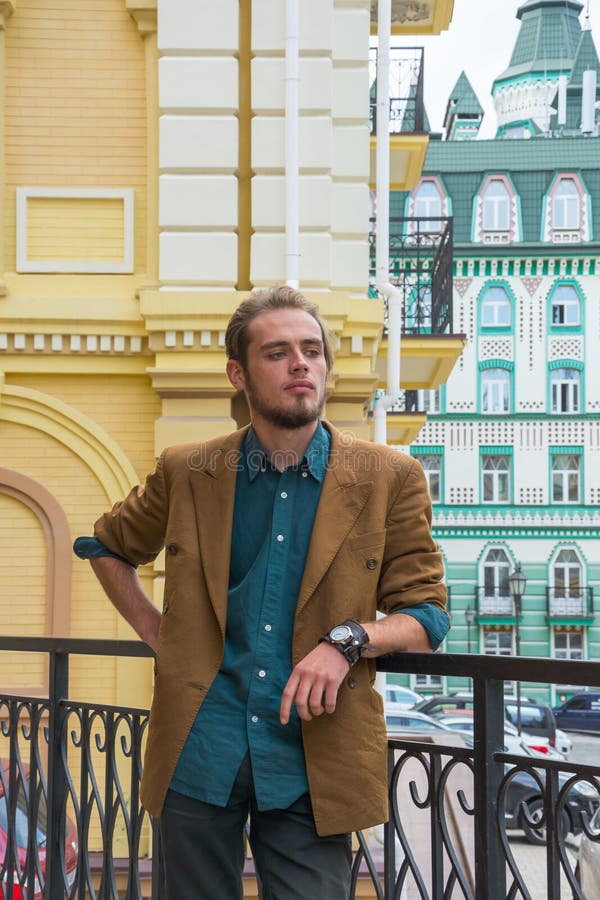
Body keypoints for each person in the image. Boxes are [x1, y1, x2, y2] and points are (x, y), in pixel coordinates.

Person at [74, 285, 449, 900]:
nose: (301, 363)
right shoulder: (188, 471)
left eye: (312, 350)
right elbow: (105, 546)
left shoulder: (389, 477)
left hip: (315, 755)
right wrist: (154, 630)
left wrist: (349, 640)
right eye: (277, 353)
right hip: (200, 744)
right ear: (238, 374)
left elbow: (427, 616)